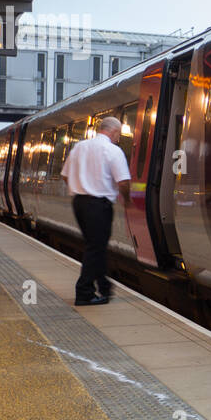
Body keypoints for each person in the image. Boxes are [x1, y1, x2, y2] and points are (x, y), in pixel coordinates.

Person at [61, 116, 131, 305]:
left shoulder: (79, 147)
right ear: (114, 131)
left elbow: (65, 175)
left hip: (79, 203)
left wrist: (79, 187)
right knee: (95, 247)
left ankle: (104, 286)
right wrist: (127, 198)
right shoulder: (113, 151)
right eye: (119, 134)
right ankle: (83, 292)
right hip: (99, 206)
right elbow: (123, 181)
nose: (119, 138)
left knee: (95, 246)